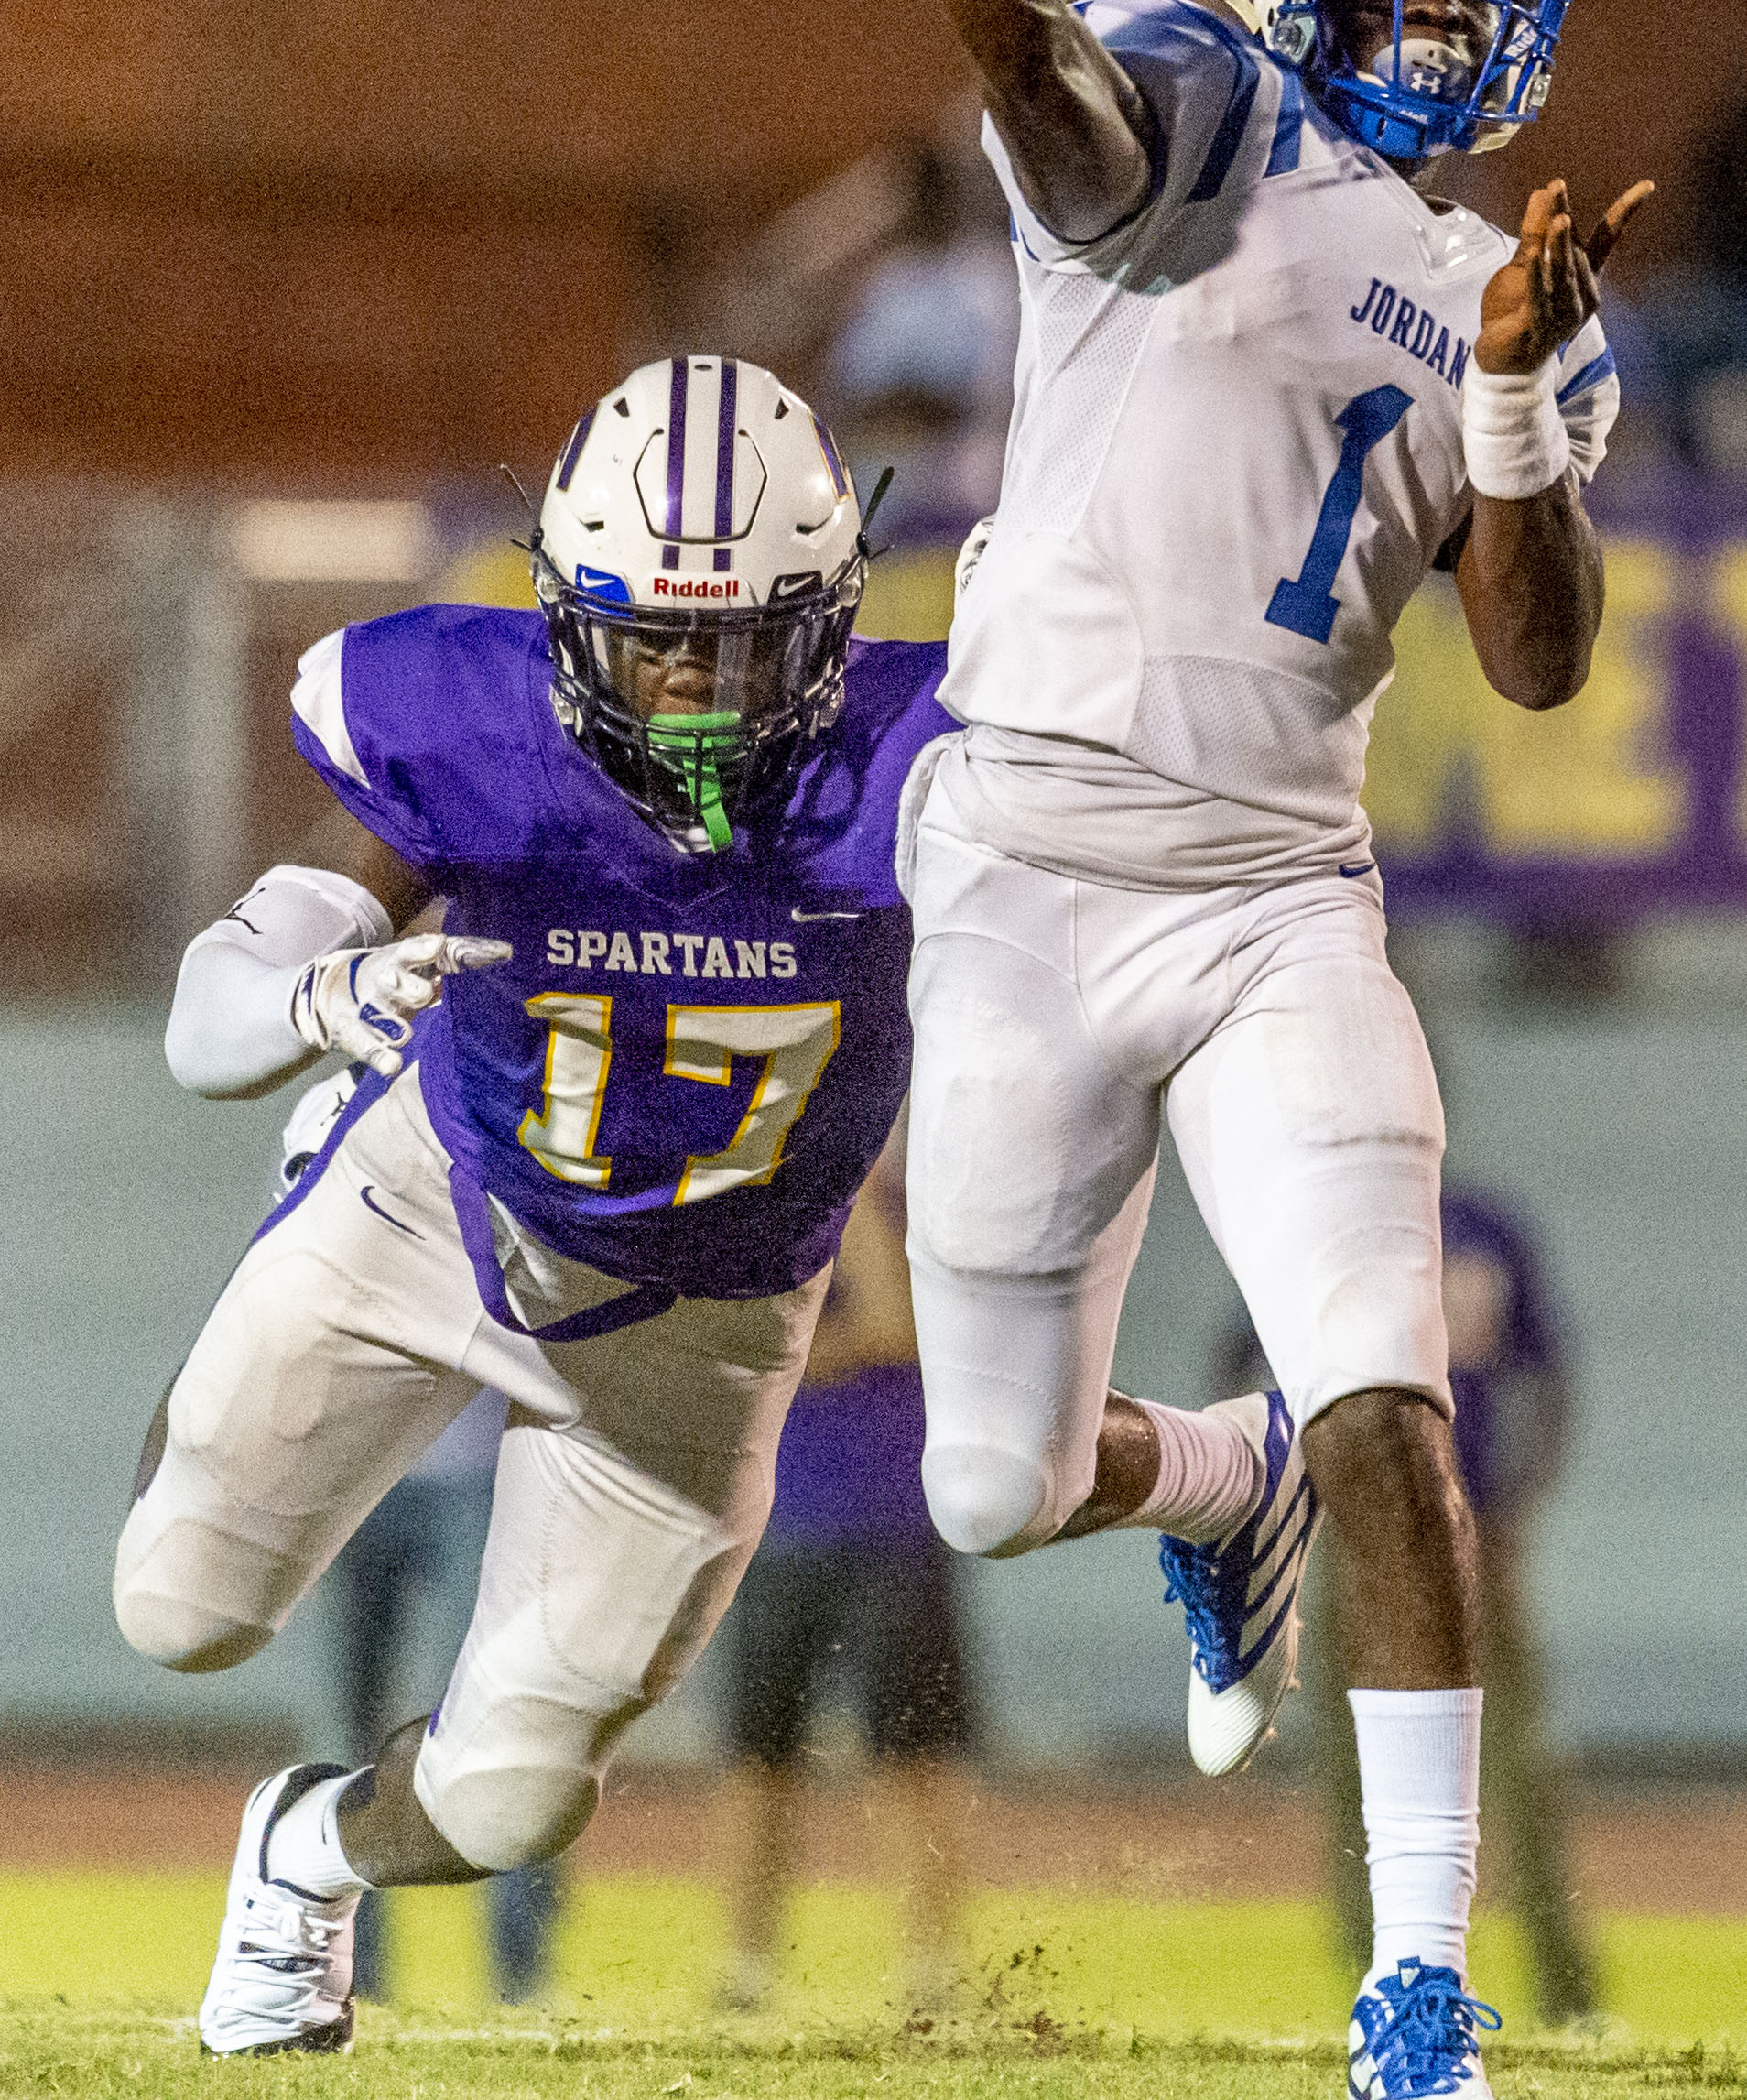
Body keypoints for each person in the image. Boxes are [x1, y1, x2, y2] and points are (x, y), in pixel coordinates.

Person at [863, 0, 1652, 2100]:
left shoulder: (1511, 293)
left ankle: (1416, 1988)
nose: (1427, 13)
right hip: (1018, 860)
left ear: (1527, 26)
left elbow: (1534, 655)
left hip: (1271, 898)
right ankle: (1210, 1483)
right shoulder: (1185, 98)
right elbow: (1022, 63)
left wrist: (1513, 393)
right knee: (984, 1482)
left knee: (1388, 1396)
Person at [114, 353, 1282, 2056]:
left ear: (830, 621)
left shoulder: (933, 755)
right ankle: (320, 1177)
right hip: (444, 1191)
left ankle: (303, 1851)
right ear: (563, 614)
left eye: (743, 643)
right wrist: (313, 998)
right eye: (651, 636)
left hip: (708, 1322)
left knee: (511, 1798)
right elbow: (206, 1013)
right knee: (175, 1609)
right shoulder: (464, 721)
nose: (691, 687)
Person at [1221, 1188, 1596, 2023]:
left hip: (1473, 1533)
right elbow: (1242, 1363)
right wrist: (1287, 1494)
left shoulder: (1487, 1230)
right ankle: (1375, 1975)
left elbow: (1548, 1381)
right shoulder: (1326, 1225)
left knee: (1516, 1761)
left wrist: (1517, 1505)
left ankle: (1565, 1989)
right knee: (1353, 1754)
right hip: (1358, 1532)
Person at [277, 1071, 566, 2008]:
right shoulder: (331, 1113)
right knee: (345, 1728)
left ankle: (520, 1974)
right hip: (359, 1474)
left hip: (481, 1471)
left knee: (502, 1721)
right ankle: (350, 1968)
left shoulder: (509, 1103)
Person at [716, 1124, 973, 2012]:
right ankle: (745, 1969)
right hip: (779, 1523)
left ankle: (932, 1971)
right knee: (760, 1758)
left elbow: (895, 1322)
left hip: (893, 1523)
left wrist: (850, 1189)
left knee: (911, 1757)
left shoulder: (905, 1209)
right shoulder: (766, 1210)